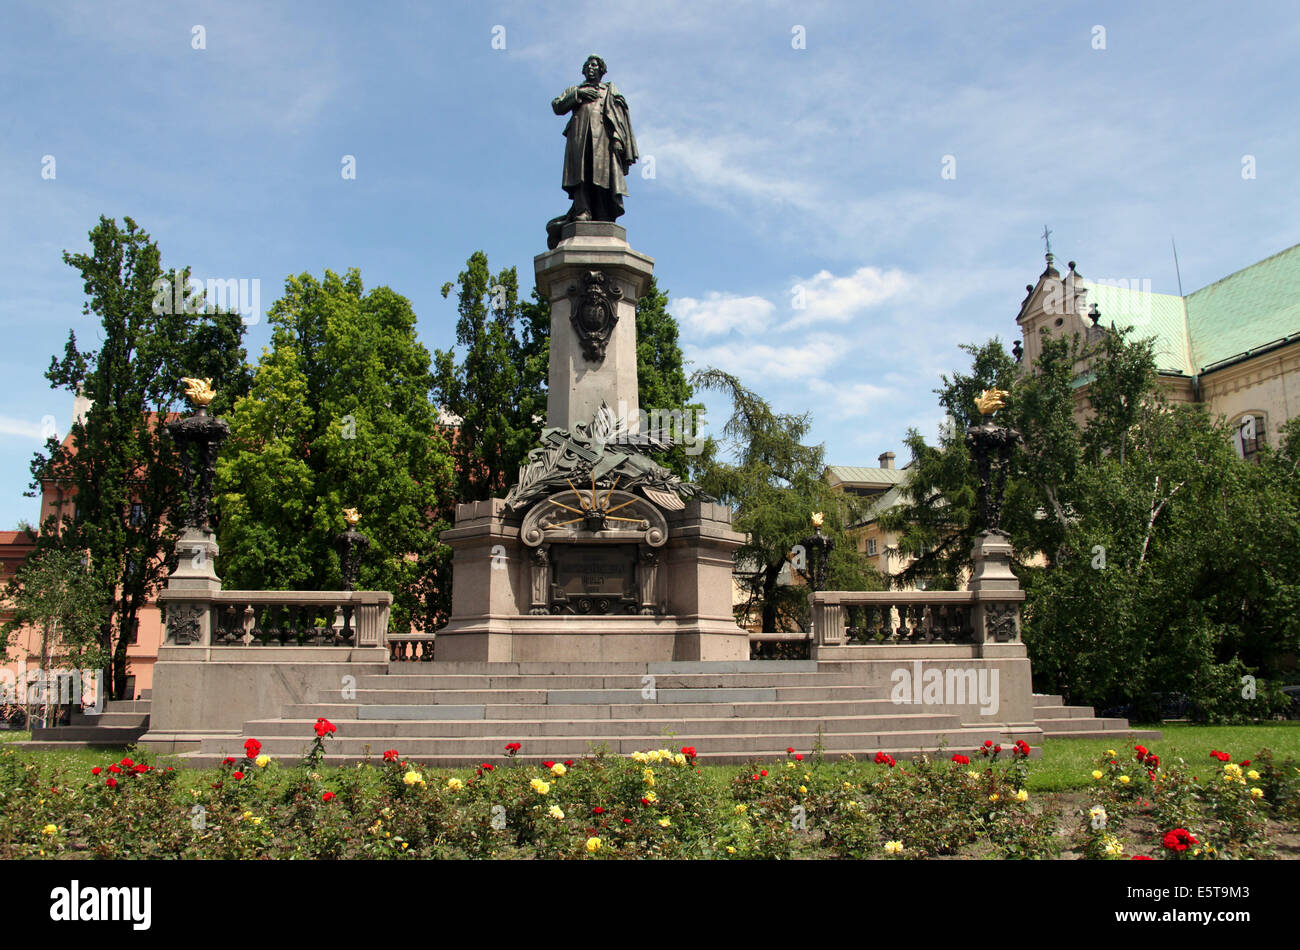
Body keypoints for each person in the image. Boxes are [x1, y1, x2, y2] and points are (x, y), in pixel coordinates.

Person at [547, 56, 638, 248]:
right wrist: (578, 94)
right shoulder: (576, 90)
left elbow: (619, 116)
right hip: (579, 137)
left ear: (602, 70)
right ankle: (582, 211)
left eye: (594, 65)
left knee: (603, 175)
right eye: (587, 65)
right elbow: (557, 105)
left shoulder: (609, 91)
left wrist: (617, 138)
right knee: (581, 174)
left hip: (603, 138)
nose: (590, 68)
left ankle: (602, 212)